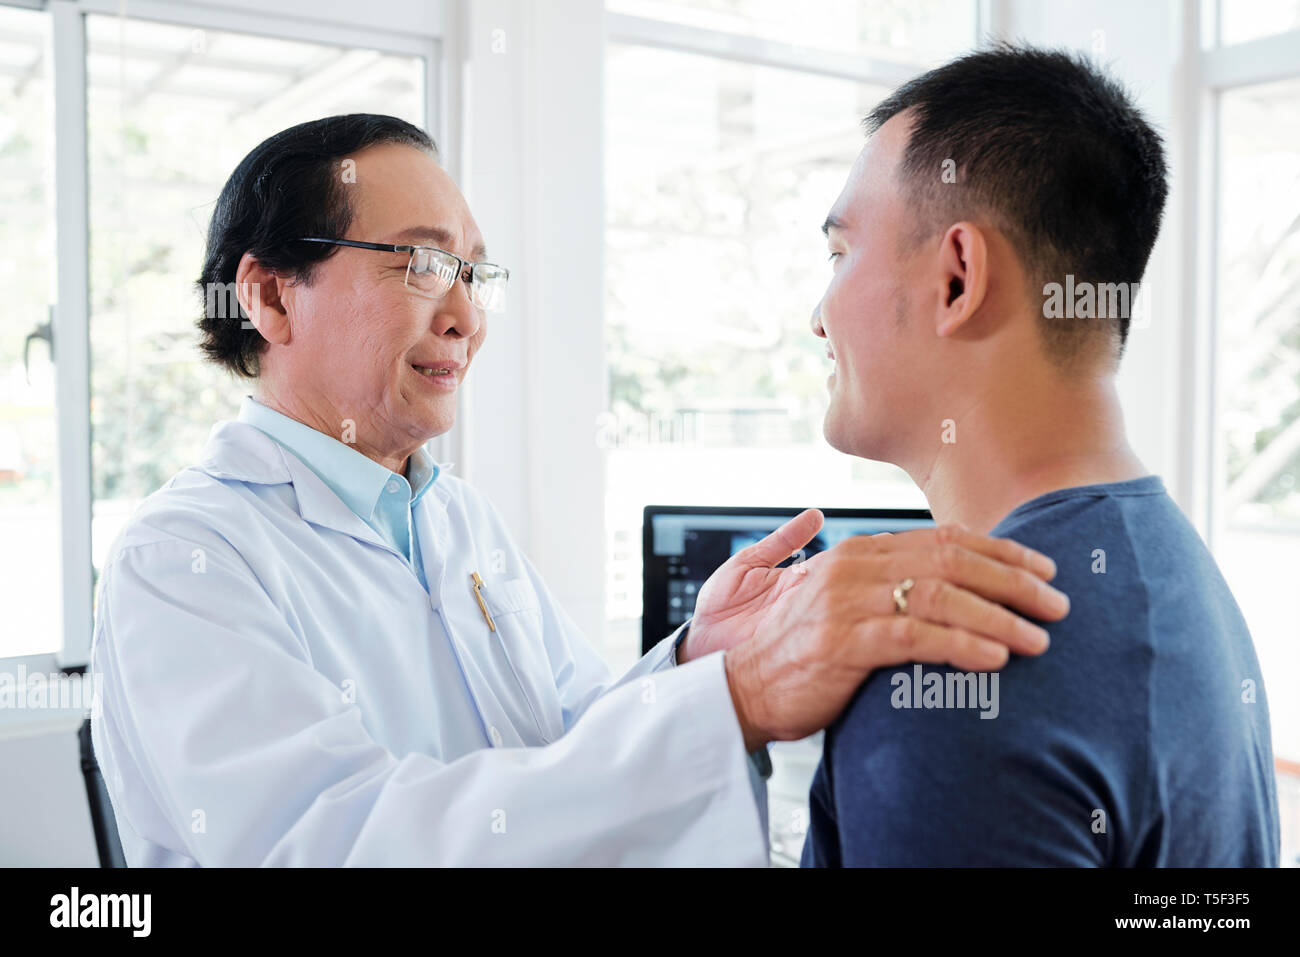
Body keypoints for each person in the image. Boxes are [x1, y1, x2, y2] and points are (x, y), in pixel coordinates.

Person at [89, 113, 1068, 867]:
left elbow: (563, 741)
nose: (467, 316)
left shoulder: (448, 514)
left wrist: (694, 657)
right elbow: (333, 845)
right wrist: (733, 698)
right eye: (424, 263)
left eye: (475, 272)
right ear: (266, 295)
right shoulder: (186, 561)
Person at [801, 45, 1280, 866]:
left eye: (841, 257)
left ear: (958, 277)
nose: (818, 316)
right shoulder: (1175, 569)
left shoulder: (955, 663)